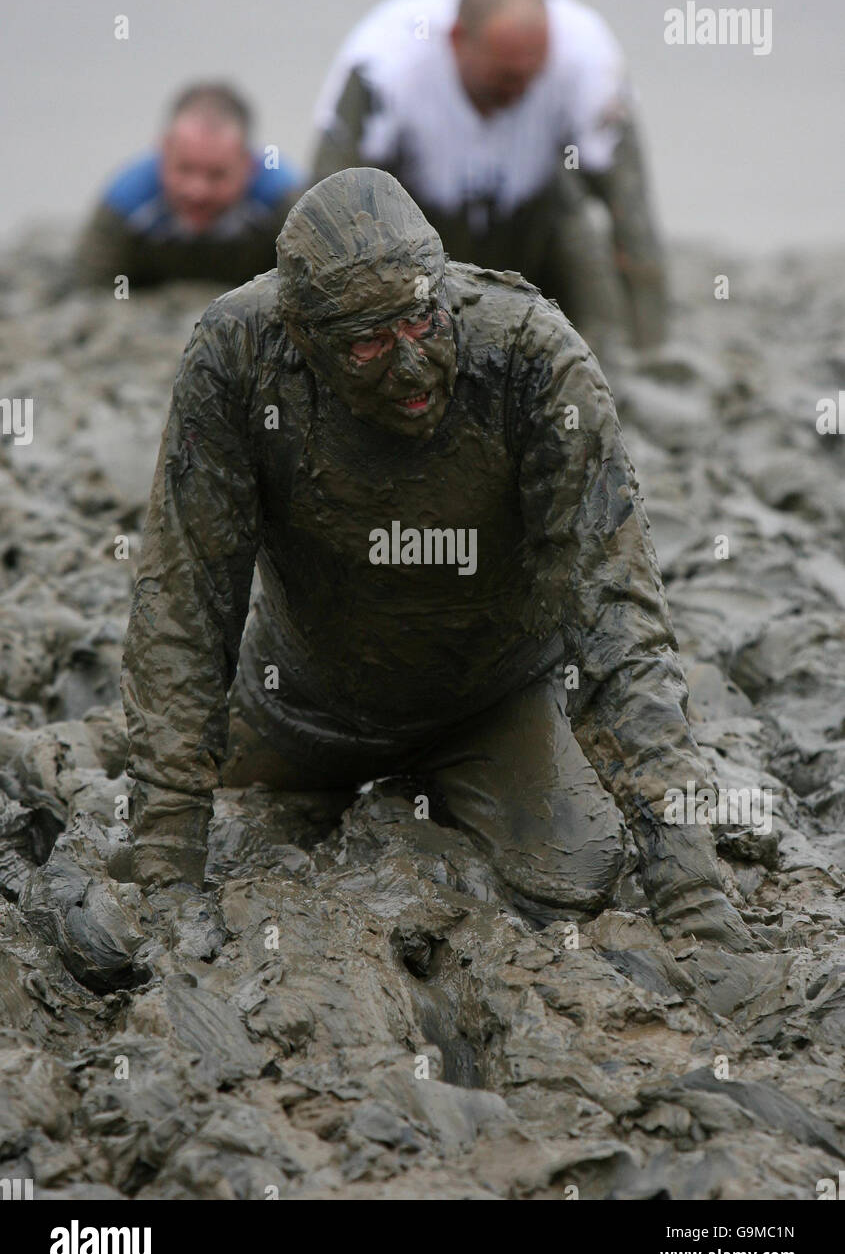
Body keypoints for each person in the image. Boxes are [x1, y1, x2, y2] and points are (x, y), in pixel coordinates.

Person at [121, 166, 750, 952]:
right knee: (166, 848)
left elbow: (615, 612)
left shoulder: (531, 354)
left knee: (574, 883)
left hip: (491, 699)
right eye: (367, 344)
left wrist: (692, 896)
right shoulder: (238, 352)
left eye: (422, 322)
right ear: (305, 339)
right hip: (299, 702)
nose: (410, 364)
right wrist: (165, 866)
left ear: (446, 289)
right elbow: (184, 600)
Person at [310, 0, 667, 358]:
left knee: (582, 231)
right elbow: (328, 198)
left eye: (534, 76)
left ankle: (602, 353)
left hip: (530, 235)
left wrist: (652, 344)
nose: (522, 91)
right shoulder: (385, 61)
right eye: (507, 79)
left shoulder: (586, 56)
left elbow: (631, 214)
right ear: (457, 40)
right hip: (417, 242)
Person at [76, 83, 300, 288]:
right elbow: (91, 283)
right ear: (163, 152)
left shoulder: (286, 203)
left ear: (248, 165)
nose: (197, 191)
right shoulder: (125, 203)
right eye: (185, 169)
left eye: (216, 174)